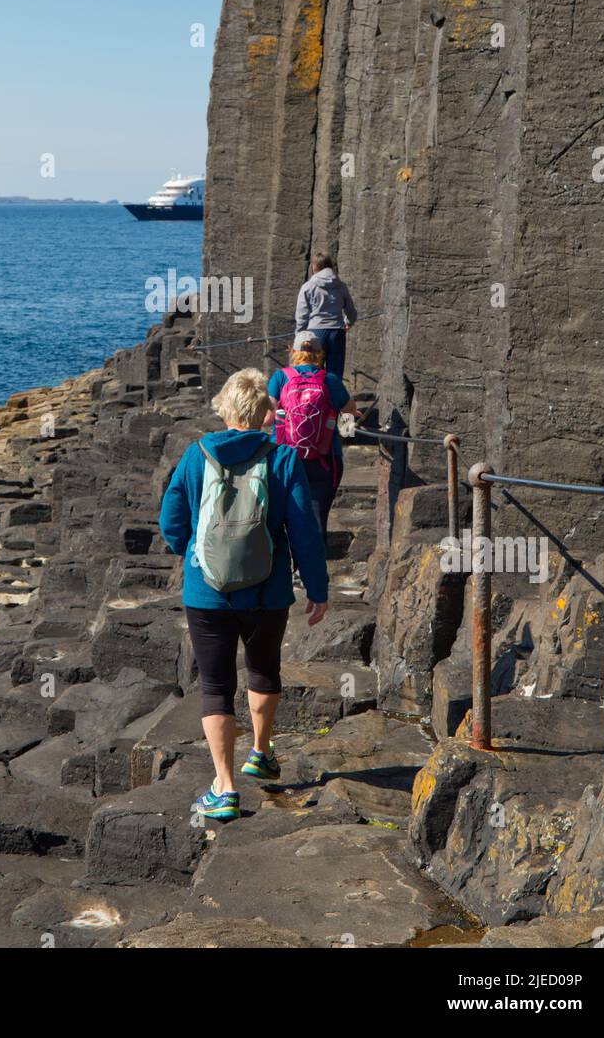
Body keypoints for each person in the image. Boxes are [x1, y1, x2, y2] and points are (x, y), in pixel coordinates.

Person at [159, 367, 328, 823]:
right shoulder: (285, 459)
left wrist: (191, 551)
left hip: (207, 591)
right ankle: (261, 750)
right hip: (267, 591)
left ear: (226, 408)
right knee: (263, 669)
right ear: (264, 414)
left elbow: (171, 522)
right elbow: (305, 532)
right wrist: (318, 588)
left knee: (215, 686)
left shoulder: (196, 456)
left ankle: (225, 788)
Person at [267, 332, 359, 538]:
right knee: (317, 517)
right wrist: (345, 434)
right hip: (324, 456)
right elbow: (349, 413)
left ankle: (290, 562)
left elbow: (267, 416)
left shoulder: (280, 377)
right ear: (320, 354)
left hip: (284, 456)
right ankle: (315, 562)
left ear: (293, 352)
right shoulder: (330, 380)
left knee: (283, 514)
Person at [294, 252, 357, 380]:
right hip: (337, 333)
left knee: (313, 373)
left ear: (314, 266)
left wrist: (299, 336)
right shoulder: (341, 286)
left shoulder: (308, 287)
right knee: (335, 376)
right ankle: (334, 399)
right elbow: (351, 311)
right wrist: (348, 323)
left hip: (315, 333)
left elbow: (301, 316)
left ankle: (316, 399)